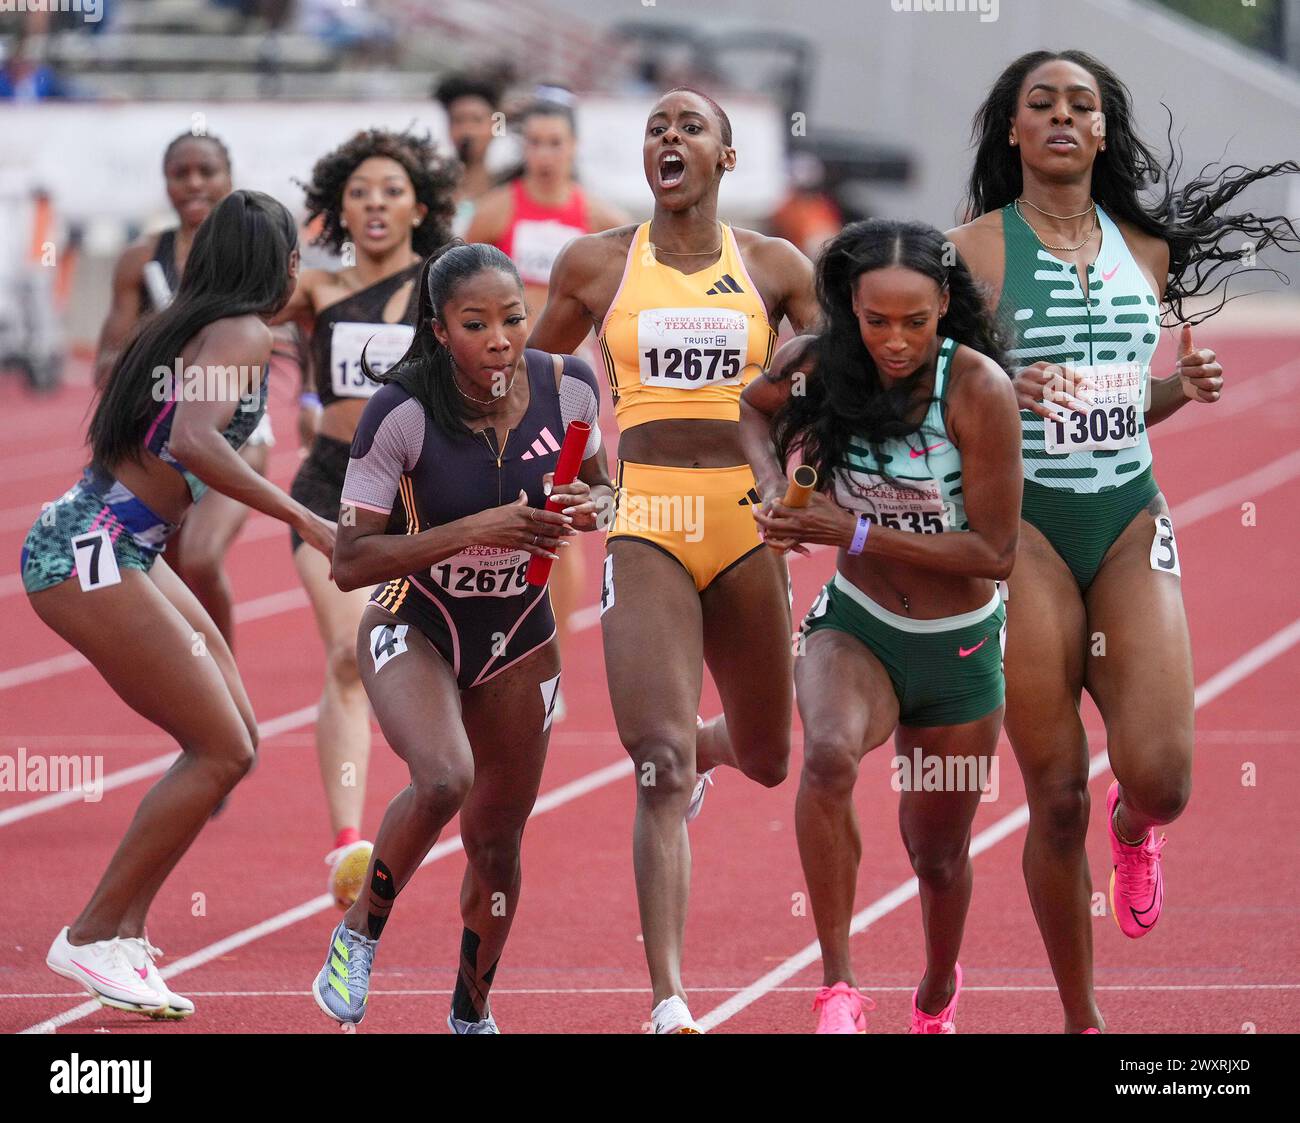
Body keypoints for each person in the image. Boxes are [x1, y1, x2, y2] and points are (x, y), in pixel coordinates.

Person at [947, 48, 1299, 1032]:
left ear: (1103, 131)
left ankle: (1135, 829)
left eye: (1082, 105)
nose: (1062, 116)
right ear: (1010, 129)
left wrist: (1172, 392)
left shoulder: (1144, 252)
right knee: (1052, 795)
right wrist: (991, 390)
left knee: (1162, 777)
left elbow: (1114, 399)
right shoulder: (968, 252)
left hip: (1126, 518)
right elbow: (916, 392)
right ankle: (1083, 1020)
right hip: (1022, 536)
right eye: (1040, 104)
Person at [528, 86, 819, 1033]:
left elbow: (833, 384)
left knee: (773, 756)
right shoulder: (597, 263)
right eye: (658, 126)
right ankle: (671, 1000)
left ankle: (701, 753)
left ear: (725, 159)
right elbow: (540, 377)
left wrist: (797, 484)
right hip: (646, 513)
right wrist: (587, 473)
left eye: (692, 127)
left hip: (745, 521)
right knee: (652, 761)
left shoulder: (774, 266)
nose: (671, 137)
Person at [22, 190, 334, 1019]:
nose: (300, 270)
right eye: (292, 256)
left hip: (117, 539)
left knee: (238, 735)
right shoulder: (238, 332)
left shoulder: (200, 325)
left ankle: (120, 933)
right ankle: (91, 933)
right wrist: (305, 516)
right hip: (92, 548)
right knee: (221, 747)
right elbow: (193, 440)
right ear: (269, 266)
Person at [311, 242, 611, 1033]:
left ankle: (471, 1012)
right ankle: (358, 932)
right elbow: (349, 562)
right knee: (443, 777)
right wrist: (477, 527)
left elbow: (607, 491)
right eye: (476, 324)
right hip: (418, 620)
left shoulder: (570, 385)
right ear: (440, 331)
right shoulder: (402, 411)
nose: (503, 339)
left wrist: (592, 505)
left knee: (498, 842)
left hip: (520, 632)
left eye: (513, 317)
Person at [741, 219, 1021, 1033]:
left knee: (935, 853)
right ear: (848, 310)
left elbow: (996, 553)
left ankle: (937, 985)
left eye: (915, 321)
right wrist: (773, 488)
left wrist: (853, 530)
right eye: (875, 321)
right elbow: (751, 413)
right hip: (858, 623)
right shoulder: (818, 365)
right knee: (826, 756)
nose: (895, 341)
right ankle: (838, 984)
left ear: (945, 306)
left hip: (959, 645)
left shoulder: (978, 391)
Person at [276, 129, 457, 909]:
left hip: (422, 498)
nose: (375, 203)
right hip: (329, 490)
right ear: (337, 209)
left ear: (420, 204)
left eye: (390, 190)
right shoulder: (316, 289)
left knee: (445, 660)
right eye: (358, 192)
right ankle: (350, 843)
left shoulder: (445, 287)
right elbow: (235, 317)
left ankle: (441, 783)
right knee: (350, 653)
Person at [467, 90, 628, 717]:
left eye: (555, 142)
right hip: (498, 379)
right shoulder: (494, 212)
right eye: (532, 142)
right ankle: (491, 639)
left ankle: (546, 649)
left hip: (564, 383)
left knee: (561, 513)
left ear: (574, 147)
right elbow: (450, 280)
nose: (543, 154)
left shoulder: (601, 218)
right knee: (496, 507)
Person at [95, 131, 286, 648]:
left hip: (238, 434)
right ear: (166, 183)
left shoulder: (255, 257)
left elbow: (299, 330)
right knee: (169, 568)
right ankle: (197, 673)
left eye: (207, 171)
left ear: (229, 177)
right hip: (162, 438)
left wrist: (312, 399)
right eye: (181, 174)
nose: (195, 183)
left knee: (200, 556)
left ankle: (224, 675)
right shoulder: (143, 261)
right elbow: (107, 360)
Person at [434, 71, 507, 238]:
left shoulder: (510, 191)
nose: (467, 131)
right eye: (458, 120)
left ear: (496, 126)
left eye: (476, 120)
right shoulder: (435, 194)